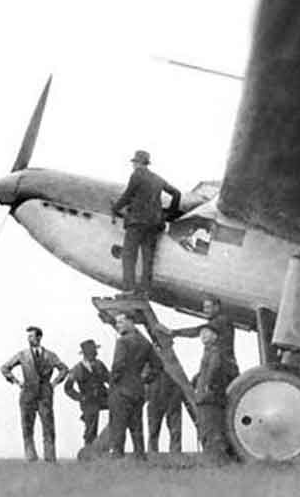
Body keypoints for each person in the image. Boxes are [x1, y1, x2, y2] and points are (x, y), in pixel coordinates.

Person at [111, 150, 181, 295]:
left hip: (137, 222)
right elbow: (176, 193)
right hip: (155, 224)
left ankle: (129, 288)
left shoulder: (137, 174)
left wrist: (115, 208)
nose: (133, 165)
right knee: (148, 258)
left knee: (129, 255)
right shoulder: (158, 179)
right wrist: (169, 213)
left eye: (134, 162)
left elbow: (128, 195)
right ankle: (145, 290)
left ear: (137, 163)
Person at [0, 325, 69, 462]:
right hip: (27, 395)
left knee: (48, 428)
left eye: (31, 336)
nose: (29, 339)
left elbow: (64, 369)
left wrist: (54, 383)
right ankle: (31, 458)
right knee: (27, 428)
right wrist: (16, 381)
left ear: (39, 337)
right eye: (28, 336)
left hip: (45, 395)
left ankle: (50, 459)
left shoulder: (50, 355)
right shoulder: (22, 355)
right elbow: (5, 368)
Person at [102, 313, 159, 459]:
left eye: (120, 322)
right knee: (137, 426)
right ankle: (140, 457)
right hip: (138, 389)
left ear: (130, 322)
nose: (117, 325)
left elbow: (118, 365)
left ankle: (117, 457)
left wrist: (112, 383)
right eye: (117, 322)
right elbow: (158, 366)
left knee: (118, 426)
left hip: (121, 389)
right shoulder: (145, 342)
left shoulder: (123, 341)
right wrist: (146, 379)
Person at [165, 297, 238, 373]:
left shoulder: (222, 320)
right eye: (204, 308)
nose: (205, 311)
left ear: (216, 307)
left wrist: (175, 333)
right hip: (220, 366)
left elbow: (197, 331)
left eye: (208, 307)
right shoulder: (218, 321)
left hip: (223, 368)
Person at [193, 324, 231, 461]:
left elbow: (214, 368)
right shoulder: (209, 351)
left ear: (215, 336)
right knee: (210, 428)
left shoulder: (215, 351)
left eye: (207, 333)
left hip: (209, 396)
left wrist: (206, 386)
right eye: (201, 333)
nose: (203, 335)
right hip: (208, 395)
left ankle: (216, 459)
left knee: (211, 428)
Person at [63, 339, 110, 447]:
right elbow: (67, 388)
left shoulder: (99, 365)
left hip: (103, 397)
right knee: (91, 427)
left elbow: (109, 379)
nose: (96, 354)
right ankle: (88, 450)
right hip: (88, 401)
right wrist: (80, 398)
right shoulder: (77, 369)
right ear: (86, 354)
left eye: (95, 352)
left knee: (119, 408)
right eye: (93, 352)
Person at [145, 369, 183, 454]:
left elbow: (144, 378)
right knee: (155, 430)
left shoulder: (151, 362)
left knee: (156, 429)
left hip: (161, 396)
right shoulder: (173, 366)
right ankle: (174, 453)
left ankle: (173, 453)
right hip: (161, 397)